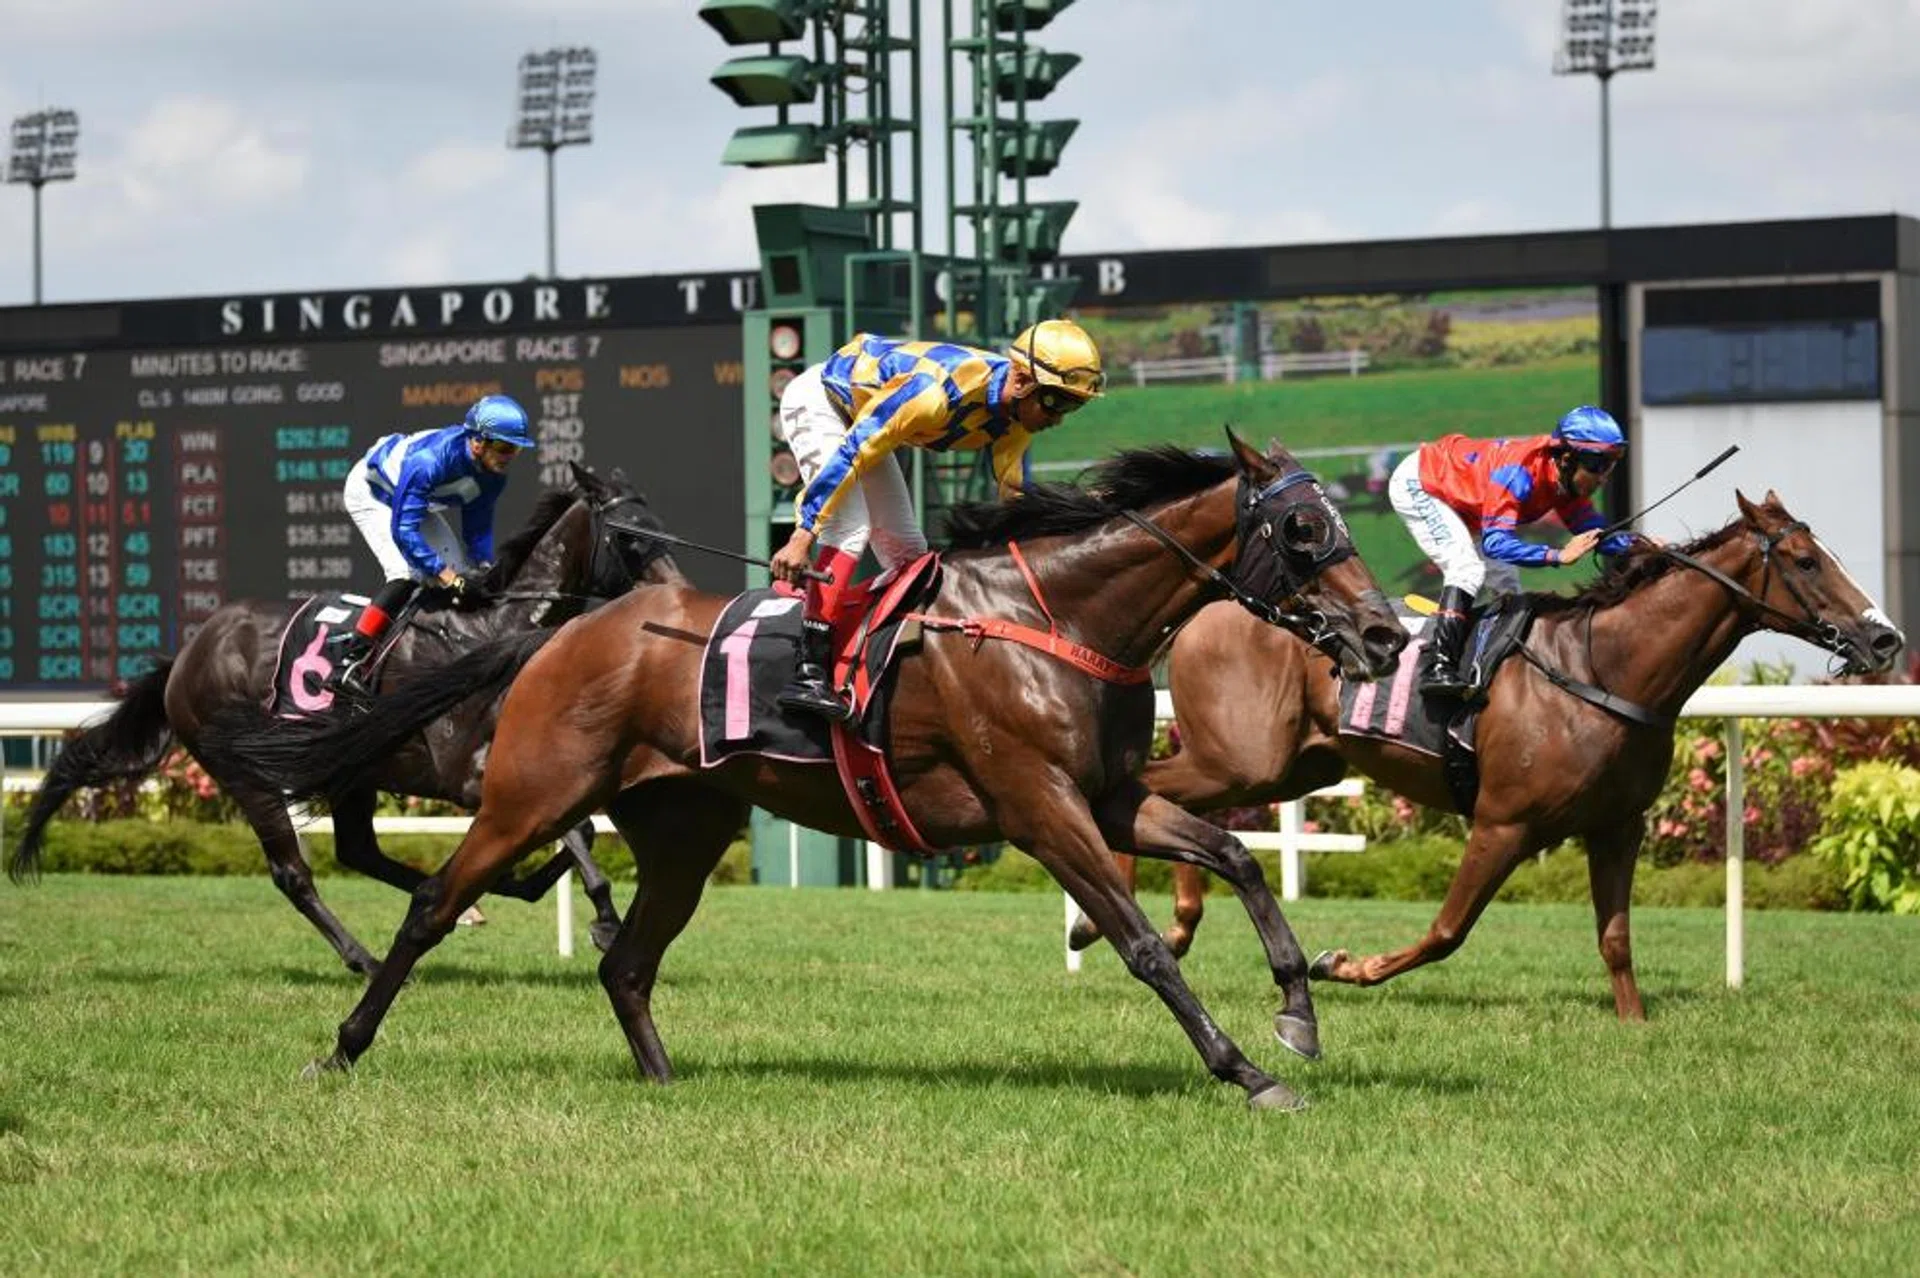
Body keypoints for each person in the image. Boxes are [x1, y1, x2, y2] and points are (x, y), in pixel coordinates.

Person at [767, 319, 1106, 721]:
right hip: (824, 400)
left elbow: (1015, 504)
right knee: (850, 526)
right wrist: (802, 537)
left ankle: (886, 658)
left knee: (908, 551)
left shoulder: (1014, 420)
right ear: (1020, 380)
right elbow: (854, 452)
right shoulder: (932, 395)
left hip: (869, 419)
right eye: (1055, 402)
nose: (1058, 418)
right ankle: (808, 668)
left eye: (1072, 406)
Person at [1388, 404, 1635, 701]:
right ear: (1568, 459)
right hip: (1423, 484)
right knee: (1466, 567)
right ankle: (1438, 666)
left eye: (1611, 464)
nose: (1604, 477)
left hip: (1469, 505)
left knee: (1508, 589)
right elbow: (1496, 544)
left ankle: (1500, 666)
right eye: (1598, 465)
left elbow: (1594, 533)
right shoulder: (1517, 474)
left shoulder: (1564, 481)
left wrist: (1640, 546)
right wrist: (1556, 556)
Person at [328, 393, 535, 696]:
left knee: (466, 571)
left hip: (416, 501)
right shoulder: (429, 462)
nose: (509, 456)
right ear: (478, 442)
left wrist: (484, 568)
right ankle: (349, 662)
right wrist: (446, 575)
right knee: (407, 574)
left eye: (515, 449)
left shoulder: (493, 476)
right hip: (372, 493)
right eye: (504, 447)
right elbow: (405, 532)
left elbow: (477, 530)